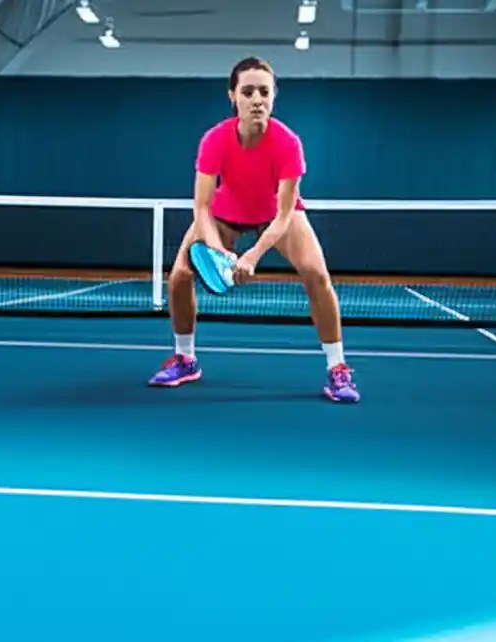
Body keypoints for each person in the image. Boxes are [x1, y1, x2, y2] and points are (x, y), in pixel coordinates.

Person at [147, 56, 360, 403]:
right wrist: (218, 252)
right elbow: (201, 207)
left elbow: (284, 213)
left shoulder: (288, 143)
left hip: (274, 216)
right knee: (180, 275)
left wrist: (252, 256)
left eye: (264, 91)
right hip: (224, 213)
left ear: (274, 96)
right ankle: (185, 358)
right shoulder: (214, 140)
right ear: (233, 96)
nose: (257, 99)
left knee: (316, 274)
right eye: (248, 92)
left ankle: (337, 369)